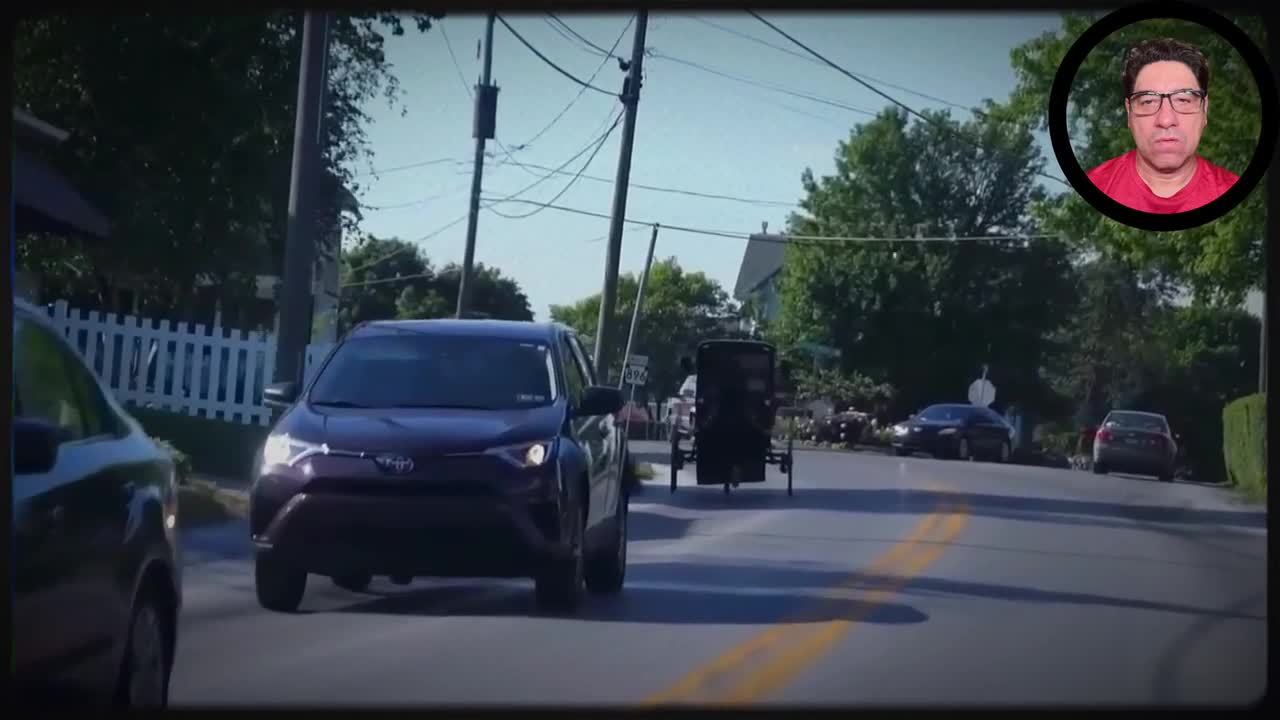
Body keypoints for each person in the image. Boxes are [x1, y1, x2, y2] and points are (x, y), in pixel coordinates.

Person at [1086, 37, 1239, 214]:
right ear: (1129, 113)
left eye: (1183, 100)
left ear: (1204, 109)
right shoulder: (1094, 188)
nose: (1166, 120)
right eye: (1148, 101)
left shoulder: (1238, 198)